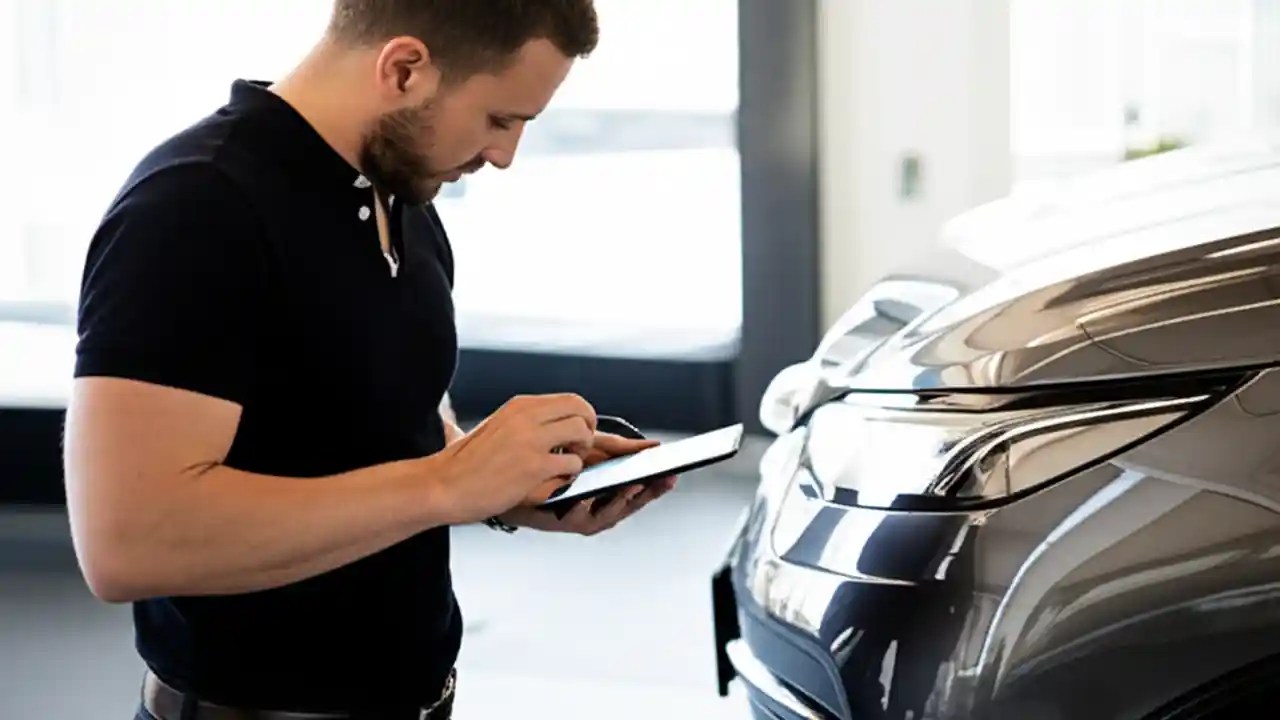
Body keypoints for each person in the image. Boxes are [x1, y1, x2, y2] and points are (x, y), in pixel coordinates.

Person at [61, 2, 676, 718]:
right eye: (501, 121)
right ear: (405, 68)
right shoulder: (195, 206)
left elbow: (393, 430)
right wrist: (447, 483)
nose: (504, 156)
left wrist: (505, 484)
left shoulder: (402, 190)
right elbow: (126, 541)